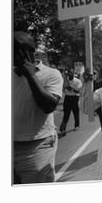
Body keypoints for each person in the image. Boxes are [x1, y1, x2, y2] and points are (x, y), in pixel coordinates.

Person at [13, 31, 63, 183]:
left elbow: (49, 106)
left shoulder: (51, 74)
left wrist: (31, 75)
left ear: (27, 52)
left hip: (37, 147)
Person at [59, 69, 82, 137]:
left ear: (73, 73)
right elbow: (63, 90)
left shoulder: (77, 81)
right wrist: (65, 88)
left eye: (71, 73)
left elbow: (78, 90)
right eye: (69, 73)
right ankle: (63, 129)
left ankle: (77, 125)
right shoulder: (65, 80)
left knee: (76, 113)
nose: (70, 74)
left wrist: (70, 88)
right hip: (67, 98)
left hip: (75, 98)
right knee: (66, 114)